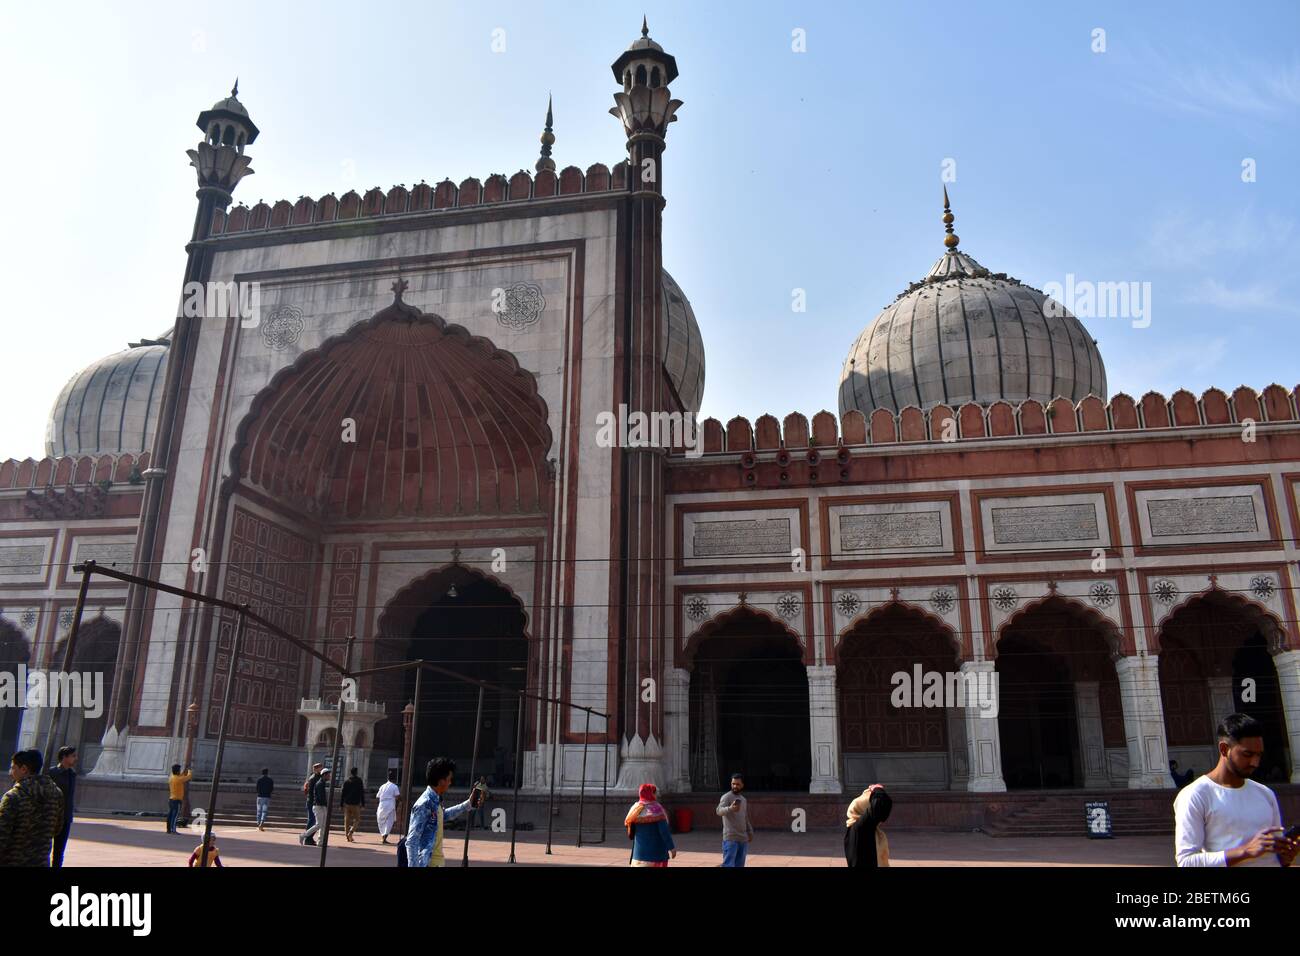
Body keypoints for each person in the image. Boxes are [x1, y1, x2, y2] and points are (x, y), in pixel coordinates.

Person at [1174, 713, 1298, 867]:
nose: (1255, 762)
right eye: (1247, 754)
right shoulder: (1195, 795)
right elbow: (1186, 862)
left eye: (1259, 755)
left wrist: (1285, 857)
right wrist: (1245, 851)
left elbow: (1273, 857)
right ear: (1224, 749)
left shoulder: (1265, 794)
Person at [404, 757, 484, 868]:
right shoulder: (424, 804)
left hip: (437, 862)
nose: (450, 783)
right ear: (441, 780)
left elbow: (444, 816)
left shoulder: (435, 800)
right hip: (427, 863)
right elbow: (412, 840)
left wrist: (468, 804)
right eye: (449, 779)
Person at [0, 749, 64, 867]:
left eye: (13, 768)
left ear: (24, 769)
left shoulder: (14, 797)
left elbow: (2, 835)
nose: (10, 772)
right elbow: (57, 828)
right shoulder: (56, 794)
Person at [625, 782, 675, 867]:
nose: (656, 796)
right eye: (655, 793)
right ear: (651, 794)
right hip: (656, 856)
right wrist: (672, 848)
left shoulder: (635, 809)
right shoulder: (657, 809)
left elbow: (631, 832)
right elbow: (664, 831)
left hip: (638, 856)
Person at [844, 784, 892, 868]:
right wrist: (878, 789)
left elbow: (881, 809)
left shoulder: (856, 827)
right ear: (863, 808)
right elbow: (880, 805)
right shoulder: (860, 826)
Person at [48, 746, 78, 867]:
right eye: (73, 756)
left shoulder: (72, 774)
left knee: (59, 850)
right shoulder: (52, 773)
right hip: (51, 815)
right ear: (64, 757)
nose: (76, 759)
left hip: (65, 816)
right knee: (45, 847)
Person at [716, 772, 754, 867]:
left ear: (742, 785)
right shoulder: (726, 797)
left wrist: (750, 831)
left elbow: (745, 817)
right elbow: (718, 811)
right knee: (729, 865)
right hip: (730, 839)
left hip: (743, 838)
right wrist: (730, 808)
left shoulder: (743, 800)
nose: (735, 786)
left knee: (740, 865)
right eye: (733, 784)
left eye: (737, 784)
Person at [299, 767, 331, 846]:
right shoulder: (319, 784)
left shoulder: (322, 783)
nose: (329, 777)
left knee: (323, 825)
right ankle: (303, 835)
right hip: (318, 806)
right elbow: (320, 797)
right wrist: (325, 805)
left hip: (321, 806)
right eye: (328, 775)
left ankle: (320, 842)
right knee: (318, 825)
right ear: (324, 775)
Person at [340, 767, 365, 842]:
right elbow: (361, 793)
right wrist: (363, 804)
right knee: (357, 819)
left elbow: (343, 793)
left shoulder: (347, 781)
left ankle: (347, 835)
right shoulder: (359, 781)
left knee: (347, 820)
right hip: (355, 804)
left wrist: (341, 804)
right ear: (356, 772)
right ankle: (351, 832)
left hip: (347, 804)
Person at [376, 769, 400, 844]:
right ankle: (384, 837)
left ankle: (383, 837)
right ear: (394, 779)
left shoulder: (382, 786)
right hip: (390, 805)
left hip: (382, 804)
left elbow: (378, 796)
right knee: (389, 821)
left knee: (381, 821)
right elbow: (398, 796)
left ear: (388, 778)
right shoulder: (395, 786)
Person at [167, 764, 192, 833]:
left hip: (171, 799)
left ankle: (169, 829)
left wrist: (183, 772)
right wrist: (189, 770)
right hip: (177, 800)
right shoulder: (179, 779)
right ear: (177, 771)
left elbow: (181, 776)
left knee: (170, 815)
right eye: (179, 770)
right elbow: (189, 777)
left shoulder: (172, 777)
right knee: (175, 816)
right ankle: (173, 830)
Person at [302, 762, 323, 833]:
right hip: (312, 801)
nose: (321, 769)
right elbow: (312, 791)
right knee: (312, 819)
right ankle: (307, 836)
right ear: (316, 769)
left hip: (312, 800)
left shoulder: (316, 777)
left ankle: (308, 836)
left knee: (312, 819)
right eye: (320, 768)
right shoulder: (314, 778)